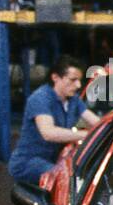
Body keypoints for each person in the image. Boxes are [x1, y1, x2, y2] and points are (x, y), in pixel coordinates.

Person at [7, 56, 102, 184]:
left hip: (53, 161)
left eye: (79, 80)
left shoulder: (73, 100)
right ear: (55, 77)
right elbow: (49, 133)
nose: (78, 85)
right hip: (29, 163)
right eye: (73, 80)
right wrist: (87, 135)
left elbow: (98, 123)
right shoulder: (40, 98)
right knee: (67, 180)